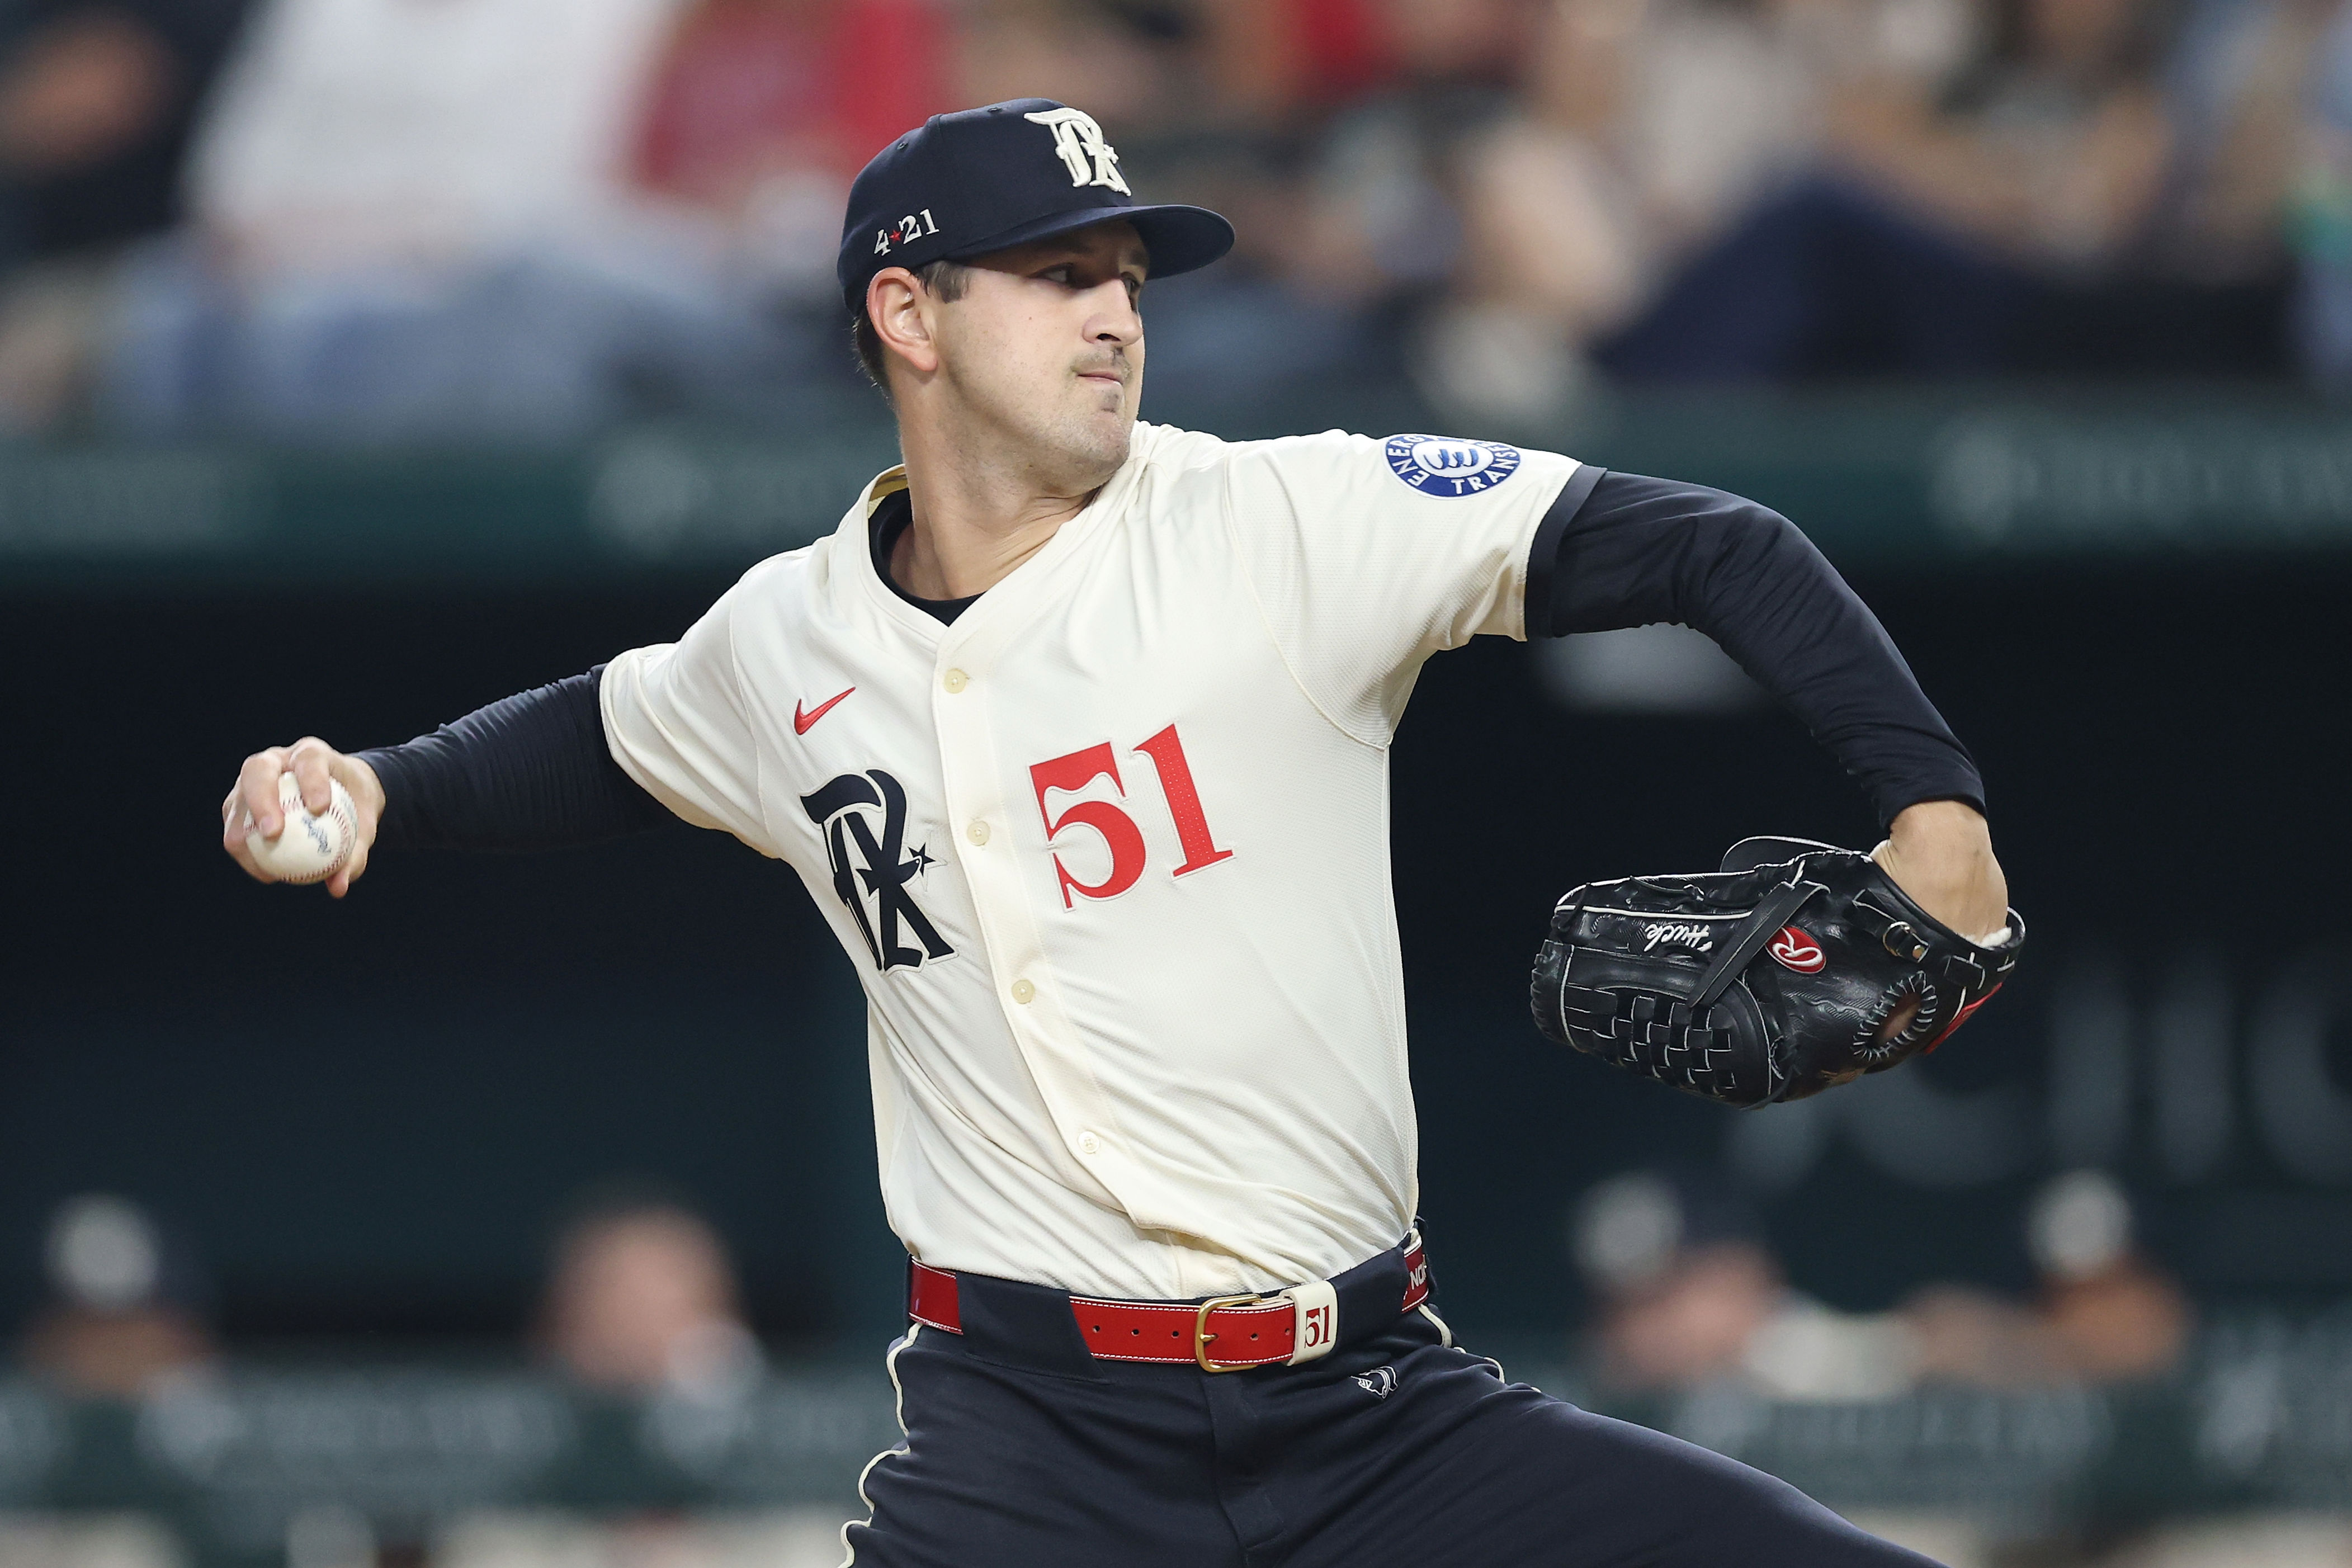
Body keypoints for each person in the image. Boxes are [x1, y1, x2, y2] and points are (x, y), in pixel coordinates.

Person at [220, 97, 2008, 1566]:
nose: (1117, 316)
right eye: (1060, 274)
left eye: (1130, 279)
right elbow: (600, 735)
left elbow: (1717, 545)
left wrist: (1937, 816)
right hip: (1028, 1452)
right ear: (908, 314)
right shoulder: (788, 640)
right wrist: (379, 781)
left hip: (1372, 1413)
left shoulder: (1278, 521)